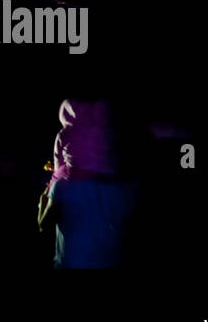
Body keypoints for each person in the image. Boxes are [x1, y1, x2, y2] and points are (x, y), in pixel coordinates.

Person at [37, 98, 136, 268]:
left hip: (70, 263)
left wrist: (43, 198)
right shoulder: (126, 187)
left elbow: (43, 226)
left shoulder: (62, 186)